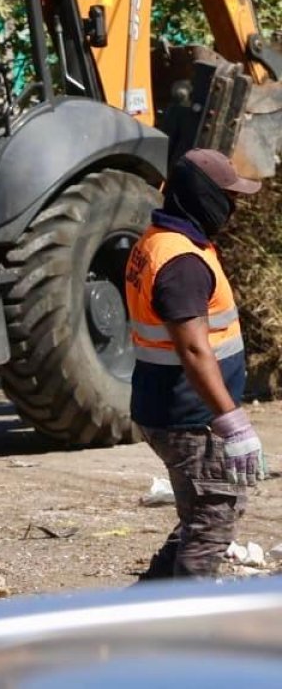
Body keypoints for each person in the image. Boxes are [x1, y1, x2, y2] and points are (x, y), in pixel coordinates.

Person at [128, 147, 264, 579]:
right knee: (210, 523)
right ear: (204, 196)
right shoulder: (181, 262)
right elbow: (192, 349)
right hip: (191, 418)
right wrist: (231, 418)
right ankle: (185, 632)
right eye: (228, 196)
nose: (234, 205)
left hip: (172, 409)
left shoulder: (163, 242)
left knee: (200, 517)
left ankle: (144, 611)